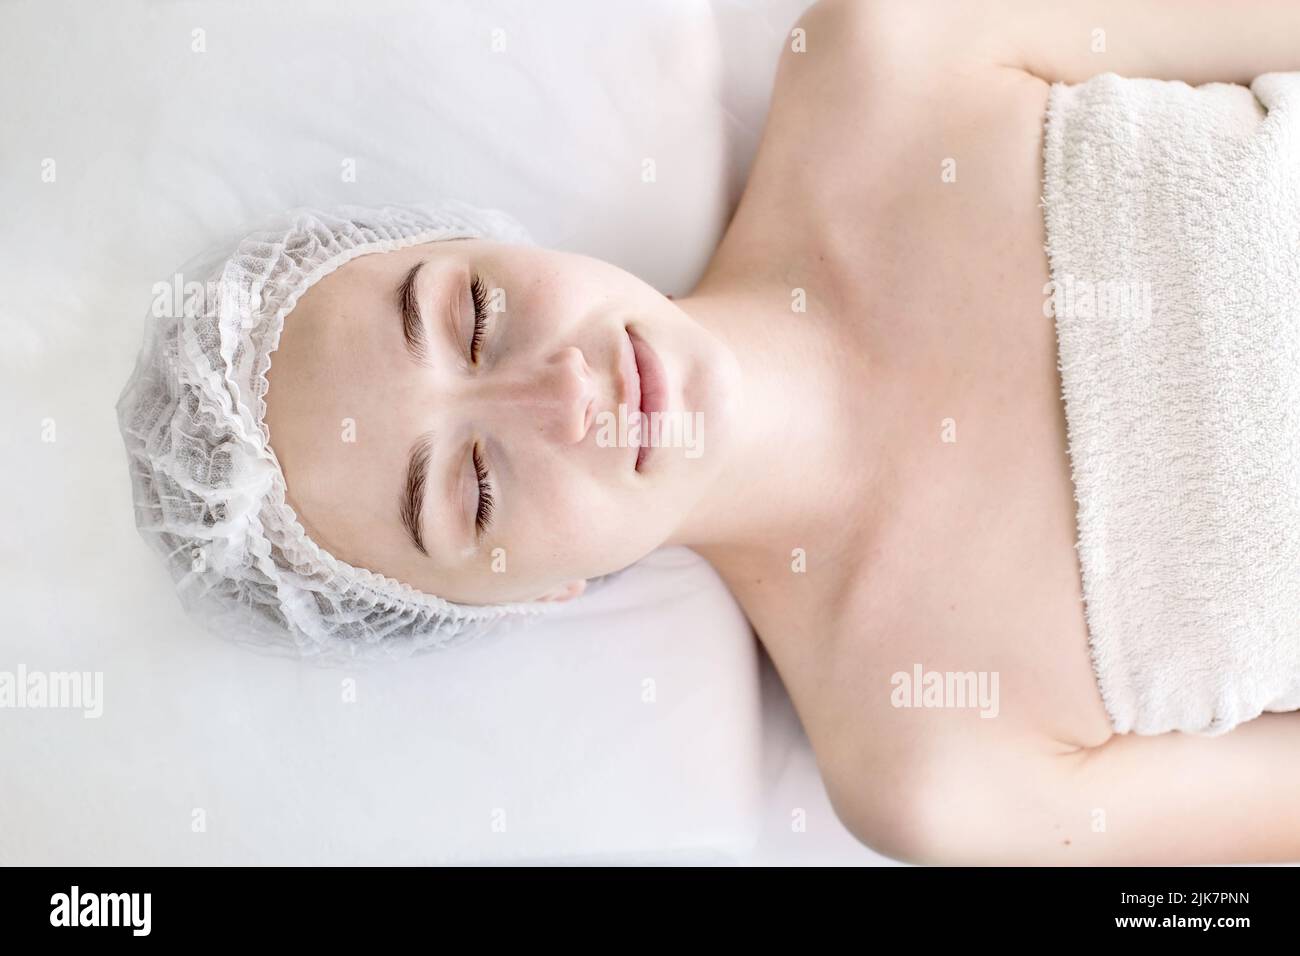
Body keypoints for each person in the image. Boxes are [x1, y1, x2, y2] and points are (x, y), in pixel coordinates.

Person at [119, 0, 1300, 864]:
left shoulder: (885, 53)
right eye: (474, 491)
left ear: (486, 235)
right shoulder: (928, 764)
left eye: (472, 313)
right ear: (524, 594)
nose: (560, 396)